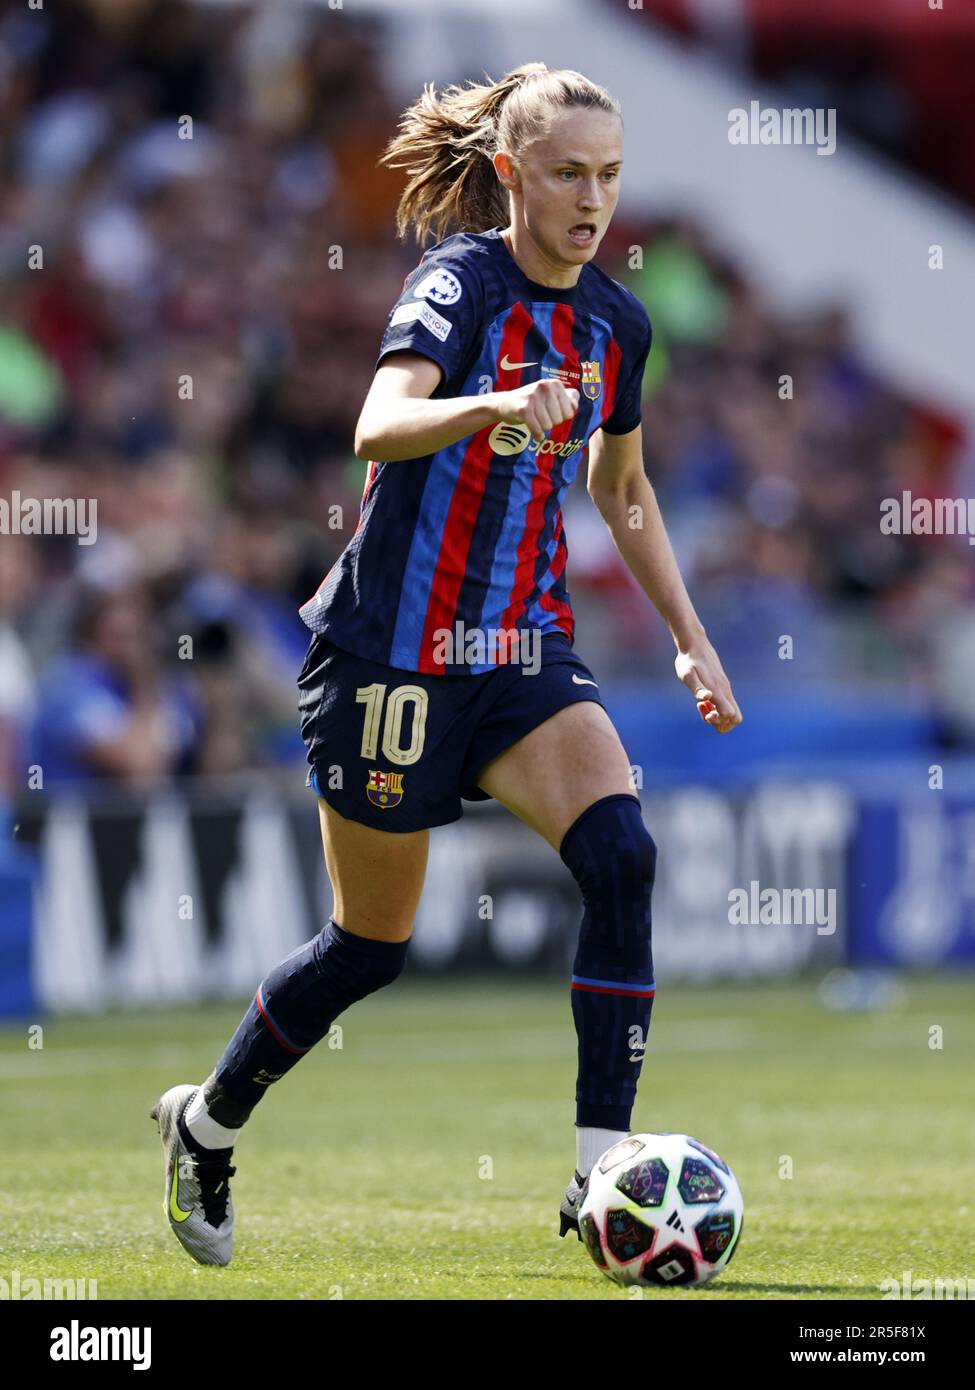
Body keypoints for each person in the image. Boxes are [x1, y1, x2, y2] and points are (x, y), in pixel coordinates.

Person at [151, 61, 742, 1267]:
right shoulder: (457, 282)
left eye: (612, 176)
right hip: (389, 661)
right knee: (373, 945)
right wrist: (494, 405)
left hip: (521, 650)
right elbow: (376, 424)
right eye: (570, 174)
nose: (594, 200)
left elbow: (620, 489)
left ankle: (597, 1177)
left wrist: (690, 637)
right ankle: (206, 1123)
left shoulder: (617, 324)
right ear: (514, 175)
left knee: (622, 854)